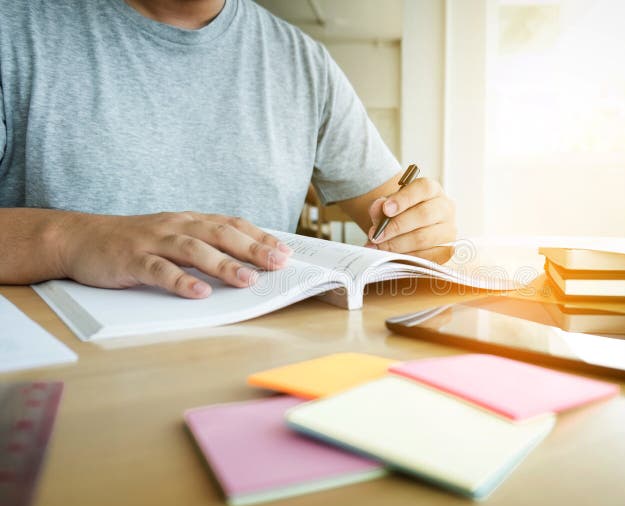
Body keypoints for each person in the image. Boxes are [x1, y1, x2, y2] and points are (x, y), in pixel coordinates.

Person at [0, 0, 456, 299]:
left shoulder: (305, 64)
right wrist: (71, 240)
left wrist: (424, 226)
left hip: (256, 370)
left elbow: (400, 221)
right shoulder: (14, 28)